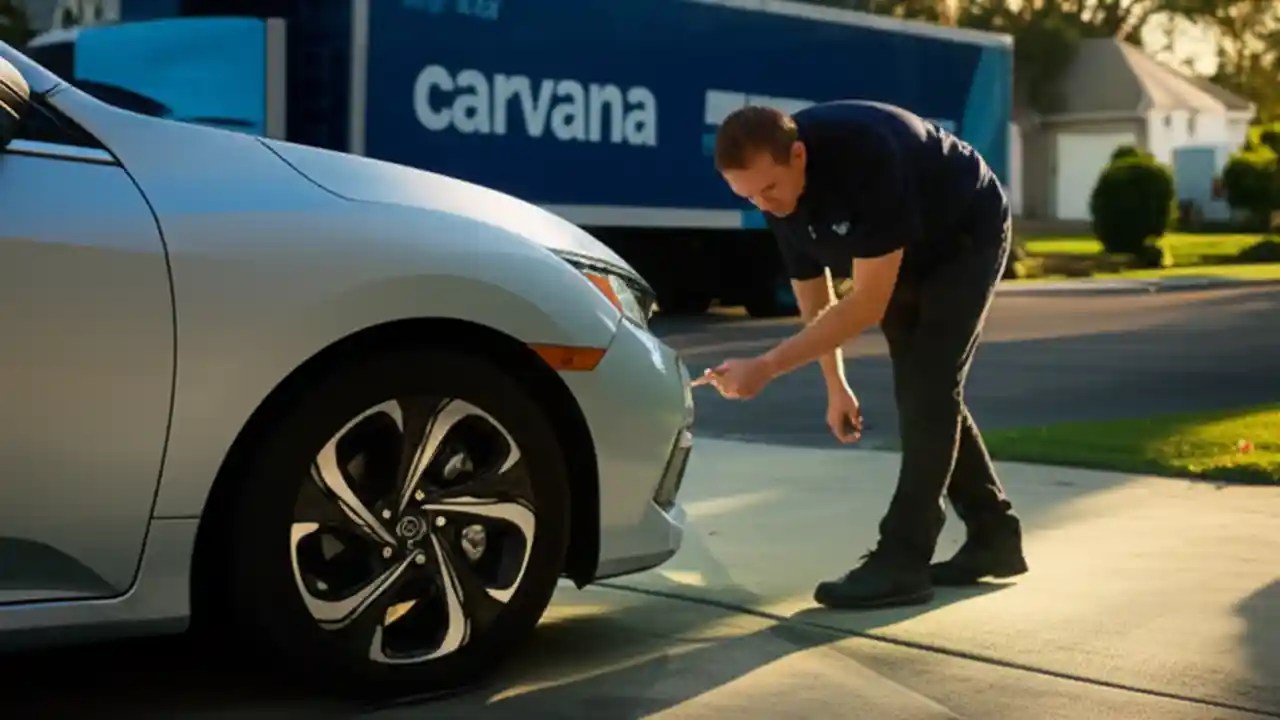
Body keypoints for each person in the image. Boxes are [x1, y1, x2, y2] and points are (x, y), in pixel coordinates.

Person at [702, 100, 1028, 610]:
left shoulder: (866, 156)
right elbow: (816, 299)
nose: (764, 205)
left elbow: (866, 304)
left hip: (964, 231)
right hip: (904, 248)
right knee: (924, 387)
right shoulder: (775, 194)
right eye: (747, 196)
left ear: (799, 155)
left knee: (928, 382)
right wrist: (836, 386)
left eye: (768, 189)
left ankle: (904, 558)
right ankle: (993, 535)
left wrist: (765, 368)